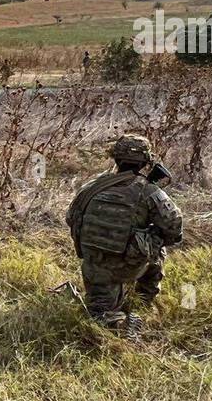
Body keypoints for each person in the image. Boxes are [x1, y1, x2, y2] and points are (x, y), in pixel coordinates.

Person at [65, 135, 183, 333]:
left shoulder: (92, 186)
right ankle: (143, 300)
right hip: (130, 265)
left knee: (99, 315)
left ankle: (118, 322)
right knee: (158, 247)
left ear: (116, 159)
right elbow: (174, 228)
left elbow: (71, 218)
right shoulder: (148, 191)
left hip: (94, 266)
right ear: (146, 162)